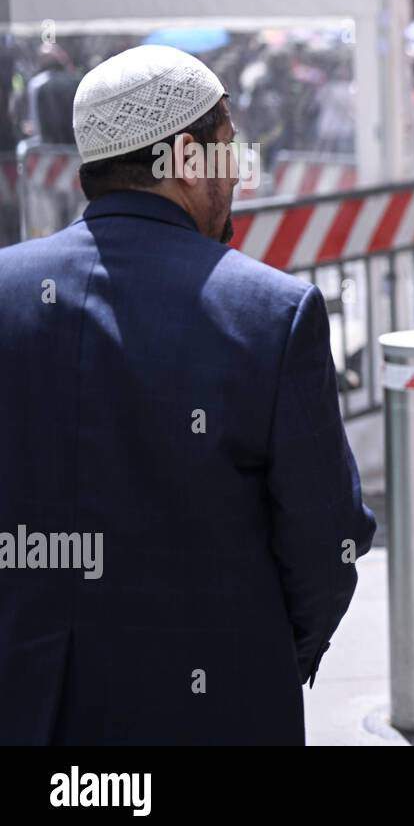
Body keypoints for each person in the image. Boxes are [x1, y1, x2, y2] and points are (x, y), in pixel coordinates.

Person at [0, 45, 376, 744]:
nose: (236, 171)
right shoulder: (270, 310)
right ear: (185, 158)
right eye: (229, 148)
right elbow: (329, 540)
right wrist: (267, 656)